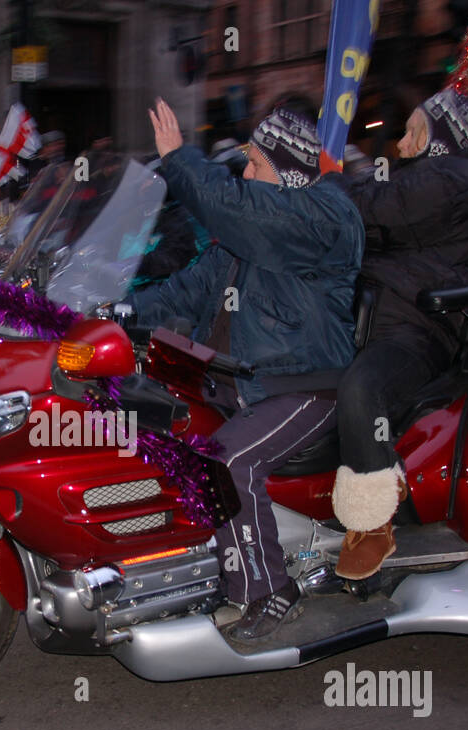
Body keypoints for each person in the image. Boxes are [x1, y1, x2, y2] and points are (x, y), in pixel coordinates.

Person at [128, 98, 363, 640]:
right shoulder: (247, 239)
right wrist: (108, 311)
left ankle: (270, 590)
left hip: (303, 385)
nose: (246, 173)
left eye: (255, 163)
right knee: (143, 419)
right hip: (236, 381)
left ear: (286, 170)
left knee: (224, 462)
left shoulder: (324, 216)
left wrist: (179, 159)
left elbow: (234, 206)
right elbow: (184, 290)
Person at [330, 88, 468, 581]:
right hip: (371, 316)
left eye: (409, 130)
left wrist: (328, 180)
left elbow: (375, 208)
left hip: (417, 329)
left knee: (363, 388)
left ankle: (374, 523)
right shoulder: (428, 179)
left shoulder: (451, 178)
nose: (400, 142)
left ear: (431, 135)